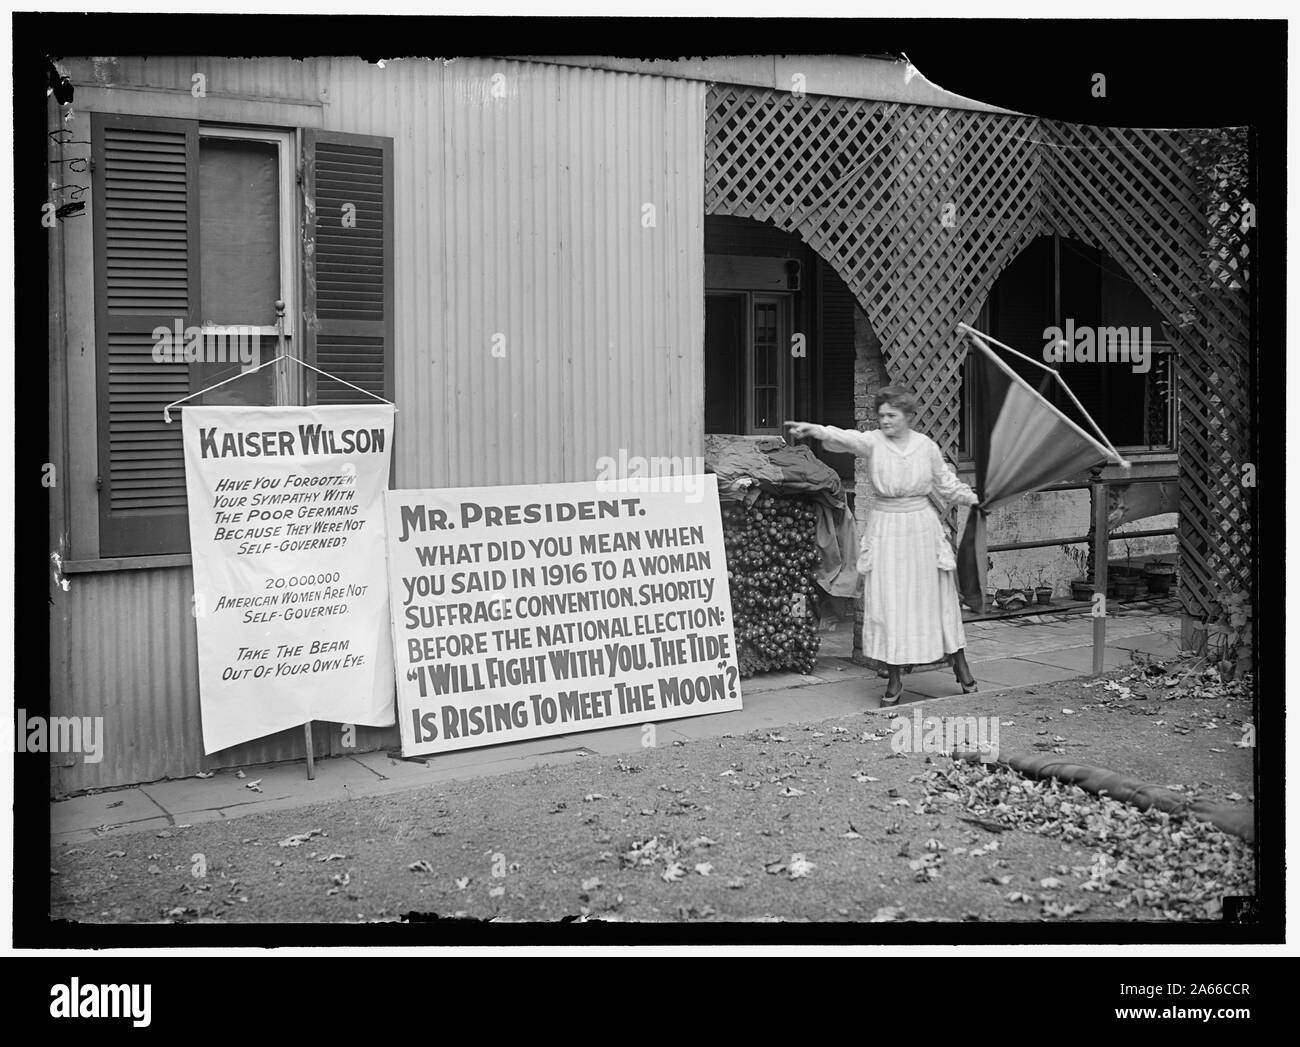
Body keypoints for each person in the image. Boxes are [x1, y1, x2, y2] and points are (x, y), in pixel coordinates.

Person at [786, 387, 980, 706]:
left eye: (892, 415)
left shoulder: (925, 447)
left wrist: (974, 497)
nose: (885, 420)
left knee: (934, 598)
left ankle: (960, 665)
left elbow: (946, 483)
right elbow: (847, 437)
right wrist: (815, 430)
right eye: (882, 415)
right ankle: (894, 678)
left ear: (907, 417)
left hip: (921, 528)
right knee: (890, 601)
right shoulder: (874, 442)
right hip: (887, 529)